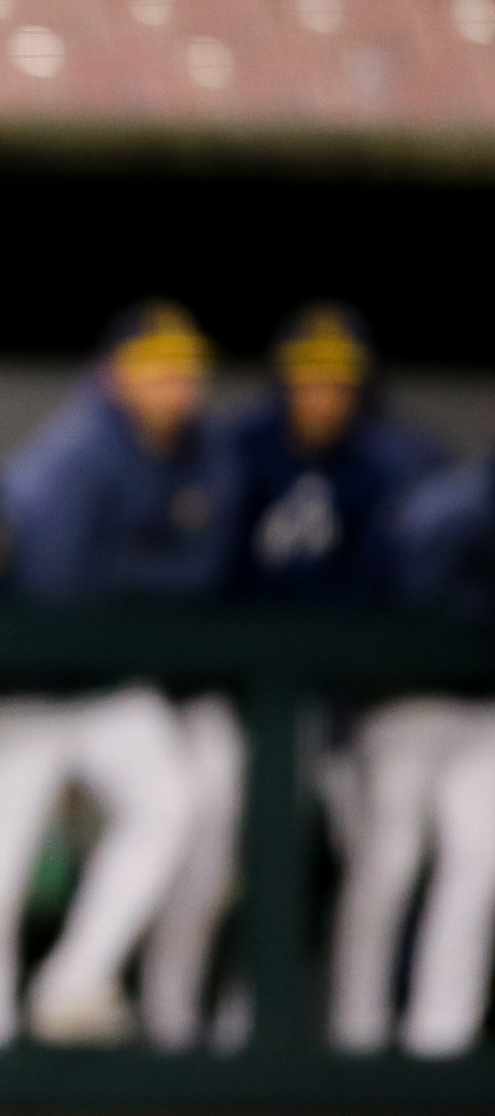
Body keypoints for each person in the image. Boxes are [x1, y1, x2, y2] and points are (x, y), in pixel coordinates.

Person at [0, 302, 232, 1050]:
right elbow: (55, 581)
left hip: (104, 682)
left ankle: (75, 978)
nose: (174, 385)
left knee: (171, 803)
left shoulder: (200, 454)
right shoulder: (76, 452)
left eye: (183, 370)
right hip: (19, 688)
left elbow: (206, 571)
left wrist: (133, 573)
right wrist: (152, 573)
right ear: (116, 374)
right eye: (155, 369)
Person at [324, 432, 495, 1056]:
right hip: (398, 702)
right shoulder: (446, 513)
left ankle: (441, 1037)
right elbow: (430, 610)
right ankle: (355, 1030)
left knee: (480, 857)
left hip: (480, 712)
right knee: (390, 860)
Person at [227, 304, 441, 606]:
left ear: (362, 391)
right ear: (284, 385)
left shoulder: (388, 464)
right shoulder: (241, 452)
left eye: (337, 386)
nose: (324, 402)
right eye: (310, 384)